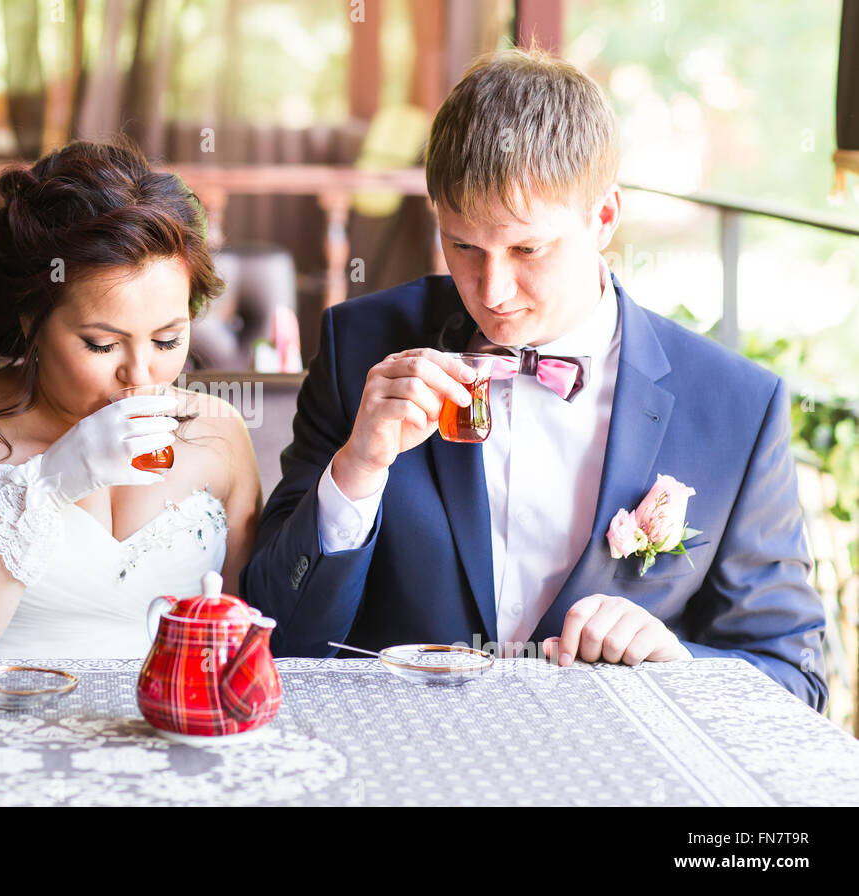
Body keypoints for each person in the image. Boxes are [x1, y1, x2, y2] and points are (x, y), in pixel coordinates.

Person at [240, 48, 828, 711]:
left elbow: (796, 679)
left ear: (604, 217)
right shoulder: (358, 349)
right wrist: (357, 469)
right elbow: (273, 635)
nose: (492, 291)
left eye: (526, 249)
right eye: (463, 246)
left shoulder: (736, 409)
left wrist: (678, 666)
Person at [0, 140, 261, 659]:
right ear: (31, 320)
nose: (141, 373)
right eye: (101, 344)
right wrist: (50, 484)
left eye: (168, 340)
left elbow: (245, 642)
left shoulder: (219, 432)